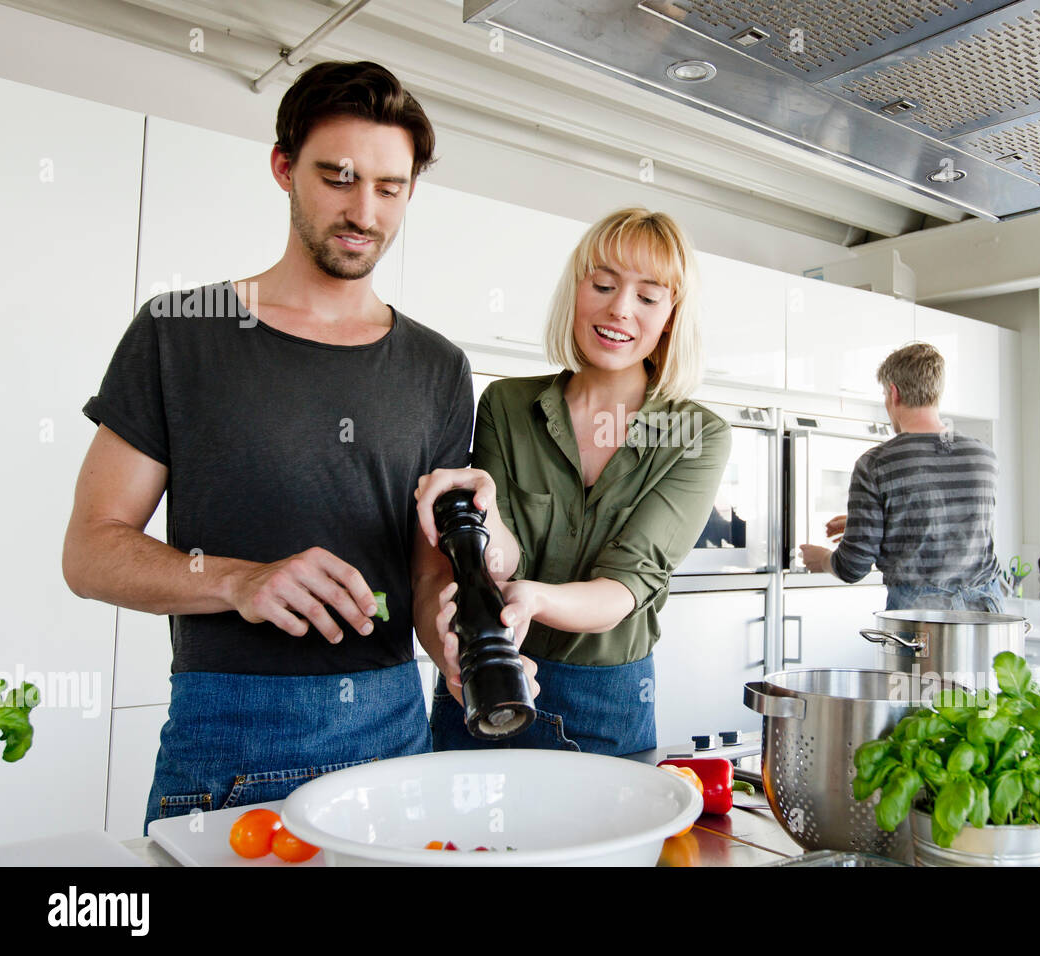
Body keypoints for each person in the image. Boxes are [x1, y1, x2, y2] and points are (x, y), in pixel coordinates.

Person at [61, 61, 518, 833]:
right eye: (338, 177)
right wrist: (242, 582)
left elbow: (426, 576)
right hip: (230, 740)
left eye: (389, 187)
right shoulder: (182, 331)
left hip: (395, 733)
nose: (363, 210)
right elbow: (90, 551)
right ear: (284, 167)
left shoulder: (439, 367)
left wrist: (468, 653)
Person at [414, 208, 730, 755]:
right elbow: (501, 554)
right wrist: (481, 520)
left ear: (671, 316)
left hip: (606, 701)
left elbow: (626, 585)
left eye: (648, 297)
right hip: (491, 679)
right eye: (603, 284)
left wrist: (530, 600)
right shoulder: (506, 405)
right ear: (577, 289)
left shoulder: (698, 435)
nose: (619, 309)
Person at [799, 342, 1003, 612]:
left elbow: (853, 566)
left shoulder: (876, 464)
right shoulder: (983, 456)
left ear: (893, 393)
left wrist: (823, 559)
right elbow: (951, 525)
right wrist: (880, 521)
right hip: (987, 611)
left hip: (922, 617)